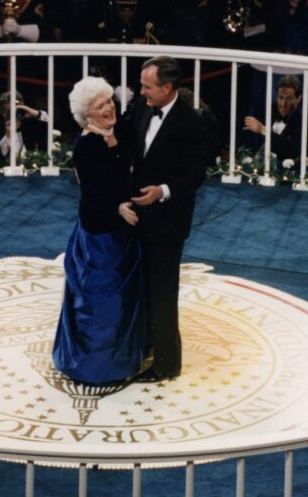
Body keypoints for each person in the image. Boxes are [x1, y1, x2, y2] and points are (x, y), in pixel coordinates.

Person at [52, 76, 147, 385]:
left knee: (125, 299)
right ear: (86, 114)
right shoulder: (87, 145)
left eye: (108, 101)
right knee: (101, 300)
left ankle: (124, 355)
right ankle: (96, 365)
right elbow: (92, 191)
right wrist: (117, 206)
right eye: (99, 105)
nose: (108, 108)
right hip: (100, 235)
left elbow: (123, 173)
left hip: (123, 232)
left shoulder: (118, 131)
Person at [124, 56, 208, 382]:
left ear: (168, 88)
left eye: (147, 86)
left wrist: (162, 191)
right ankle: (144, 345)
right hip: (136, 215)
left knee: (162, 290)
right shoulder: (143, 107)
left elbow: (195, 175)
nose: (141, 91)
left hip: (169, 220)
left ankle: (167, 363)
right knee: (141, 285)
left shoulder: (192, 122)